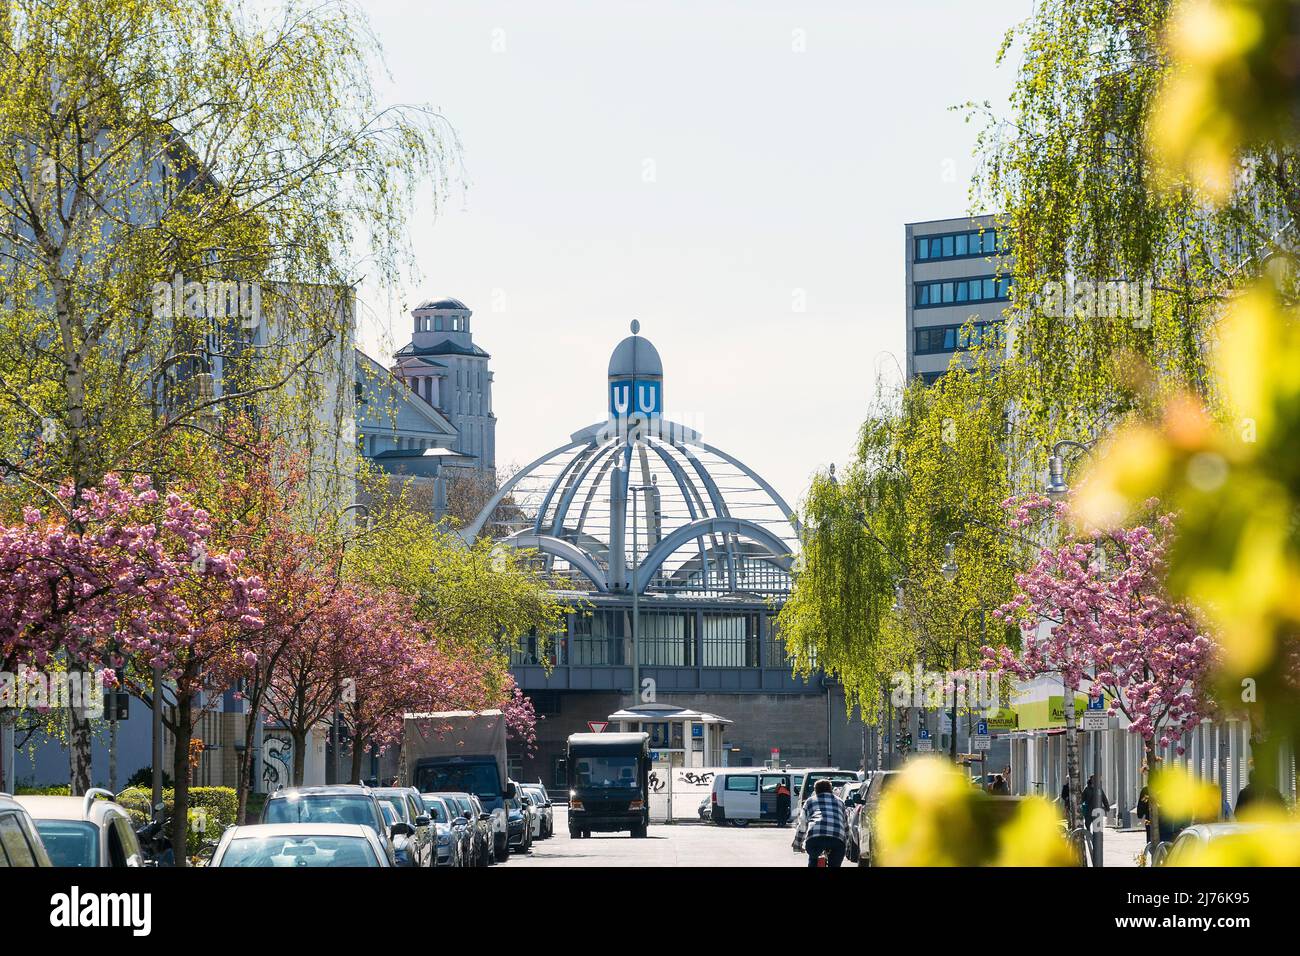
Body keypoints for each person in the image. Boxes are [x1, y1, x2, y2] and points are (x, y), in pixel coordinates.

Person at [802, 778, 848, 868]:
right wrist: (847, 843)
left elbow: (802, 824)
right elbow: (845, 825)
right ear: (831, 790)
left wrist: (798, 844)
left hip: (814, 838)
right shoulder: (840, 802)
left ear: (816, 790)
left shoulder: (810, 801)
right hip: (837, 838)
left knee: (813, 859)